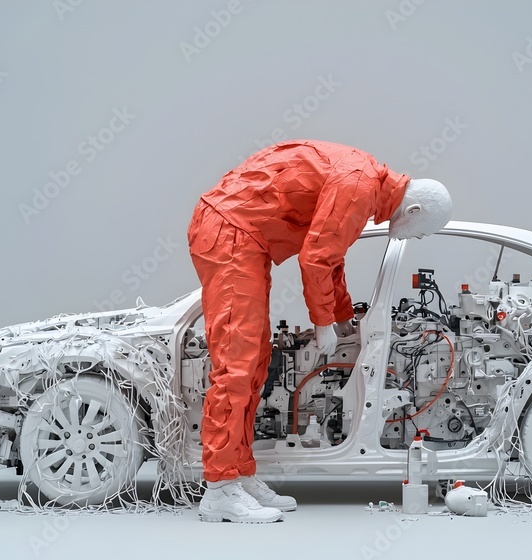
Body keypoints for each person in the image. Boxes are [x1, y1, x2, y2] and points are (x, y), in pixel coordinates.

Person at [187, 139, 452, 523]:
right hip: (230, 233)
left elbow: (331, 255)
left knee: (255, 363)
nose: (415, 238)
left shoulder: (364, 183)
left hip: (240, 235)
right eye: (421, 232)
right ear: (412, 210)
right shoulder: (359, 185)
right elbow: (316, 259)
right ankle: (219, 489)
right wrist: (323, 322)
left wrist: (341, 314)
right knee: (237, 365)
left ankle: (239, 473)